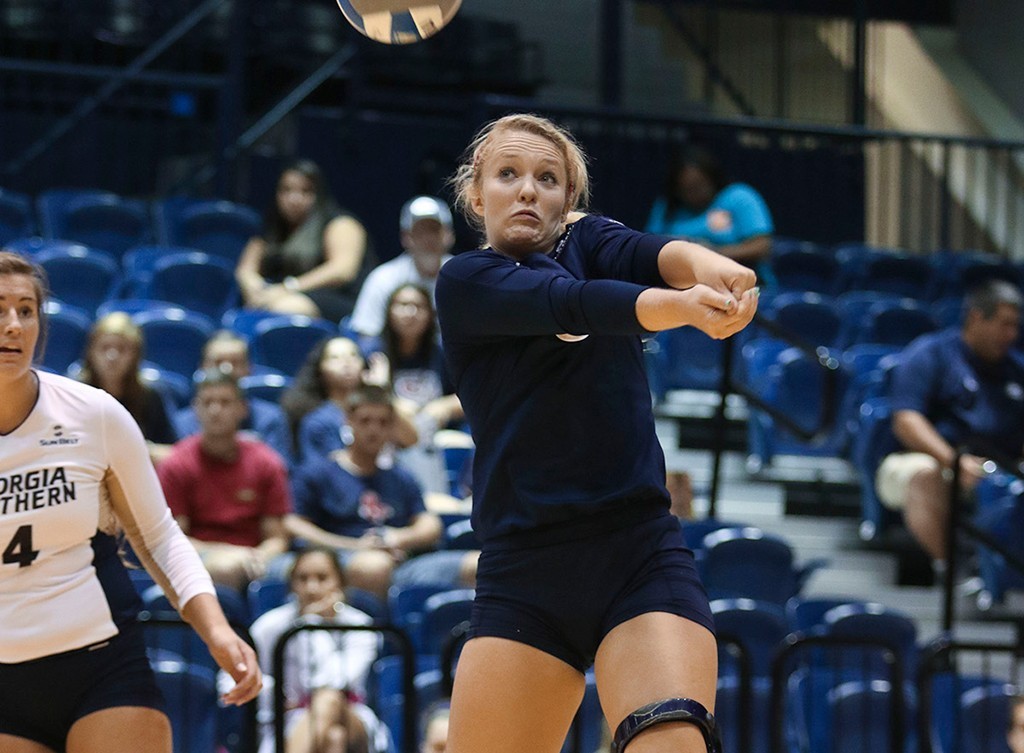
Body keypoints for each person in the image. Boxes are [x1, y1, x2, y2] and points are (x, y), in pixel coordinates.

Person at [435, 113, 758, 753]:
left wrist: (709, 266)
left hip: (637, 555)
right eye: (509, 174)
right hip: (524, 571)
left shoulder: (589, 239)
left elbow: (648, 253)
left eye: (547, 179)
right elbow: (575, 304)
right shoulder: (465, 282)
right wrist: (684, 308)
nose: (528, 189)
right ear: (477, 196)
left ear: (567, 202)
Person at [0, 250, 261, 753]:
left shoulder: (92, 414)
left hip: (99, 664)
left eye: (26, 310)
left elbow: (157, 535)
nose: (13, 325)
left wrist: (216, 631)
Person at [875, 279, 1024, 561]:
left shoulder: (1016, 369)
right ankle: (953, 574)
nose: (1011, 334)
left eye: (1015, 326)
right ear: (976, 318)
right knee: (927, 478)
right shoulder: (931, 354)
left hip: (1000, 467)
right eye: (1004, 325)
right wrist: (953, 460)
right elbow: (906, 420)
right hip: (926, 458)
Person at [287, 385, 443, 600]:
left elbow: (430, 526)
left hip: (399, 558)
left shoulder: (400, 476)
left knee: (476, 565)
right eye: (365, 421)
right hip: (340, 557)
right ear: (348, 421)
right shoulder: (317, 472)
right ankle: (378, 633)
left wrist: (397, 538)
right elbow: (294, 525)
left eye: (383, 422)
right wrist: (354, 546)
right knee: (374, 567)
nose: (374, 430)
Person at [158, 369, 292, 591]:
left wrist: (259, 555)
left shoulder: (267, 462)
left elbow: (277, 538)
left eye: (225, 402)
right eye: (207, 402)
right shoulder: (176, 464)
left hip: (258, 557)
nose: (215, 410)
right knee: (225, 568)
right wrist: (230, 553)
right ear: (195, 409)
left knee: (307, 571)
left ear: (242, 409)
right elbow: (175, 541)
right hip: (199, 555)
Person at [250, 546, 391, 753]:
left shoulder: (359, 624)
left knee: (328, 699)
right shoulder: (269, 625)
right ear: (291, 585)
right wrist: (276, 694)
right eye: (303, 579)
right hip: (290, 717)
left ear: (340, 583)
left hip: (352, 714)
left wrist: (311, 622)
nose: (312, 587)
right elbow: (233, 677)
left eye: (322, 578)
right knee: (334, 739)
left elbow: (330, 682)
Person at [235, 159, 377, 323]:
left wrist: (288, 288)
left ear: (319, 194)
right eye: (286, 190)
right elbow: (246, 269)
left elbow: (342, 271)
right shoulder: (273, 227)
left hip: (337, 300)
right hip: (278, 296)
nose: (294, 198)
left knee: (284, 308)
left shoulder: (340, 223)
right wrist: (253, 286)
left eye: (305, 191)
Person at [372, 283, 463, 494]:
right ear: (389, 311)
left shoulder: (443, 350)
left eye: (418, 306)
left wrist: (446, 406)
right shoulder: (374, 350)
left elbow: (473, 395)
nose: (410, 313)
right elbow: (364, 402)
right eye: (402, 305)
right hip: (391, 433)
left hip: (436, 433)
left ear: (430, 314)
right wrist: (396, 403)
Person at [645, 143, 775, 287]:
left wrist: (710, 253)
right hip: (677, 285)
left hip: (737, 283)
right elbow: (649, 246)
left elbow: (761, 247)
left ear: (712, 178)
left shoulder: (739, 196)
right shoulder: (667, 205)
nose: (694, 194)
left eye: (698, 185)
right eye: (686, 189)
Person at [281, 336, 416, 465]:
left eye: (353, 355)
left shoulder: (376, 410)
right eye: (335, 358)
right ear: (320, 370)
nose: (346, 362)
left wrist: (380, 391)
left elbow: (411, 440)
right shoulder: (318, 421)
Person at [173, 330, 293, 463]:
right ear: (202, 367)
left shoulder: (270, 419)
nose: (226, 369)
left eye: (235, 362)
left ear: (249, 368)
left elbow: (281, 470)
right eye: (218, 362)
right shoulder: (181, 422)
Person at [76, 311, 178, 463]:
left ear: (135, 355)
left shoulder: (150, 395)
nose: (112, 356)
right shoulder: (75, 392)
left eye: (122, 348)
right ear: (91, 352)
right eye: (104, 347)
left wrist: (142, 450)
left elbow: (174, 453)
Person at [349, 195, 455, 341]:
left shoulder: (464, 277)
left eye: (434, 230)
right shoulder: (383, 278)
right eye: (420, 231)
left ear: (448, 236)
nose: (428, 238)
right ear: (406, 237)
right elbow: (367, 334)